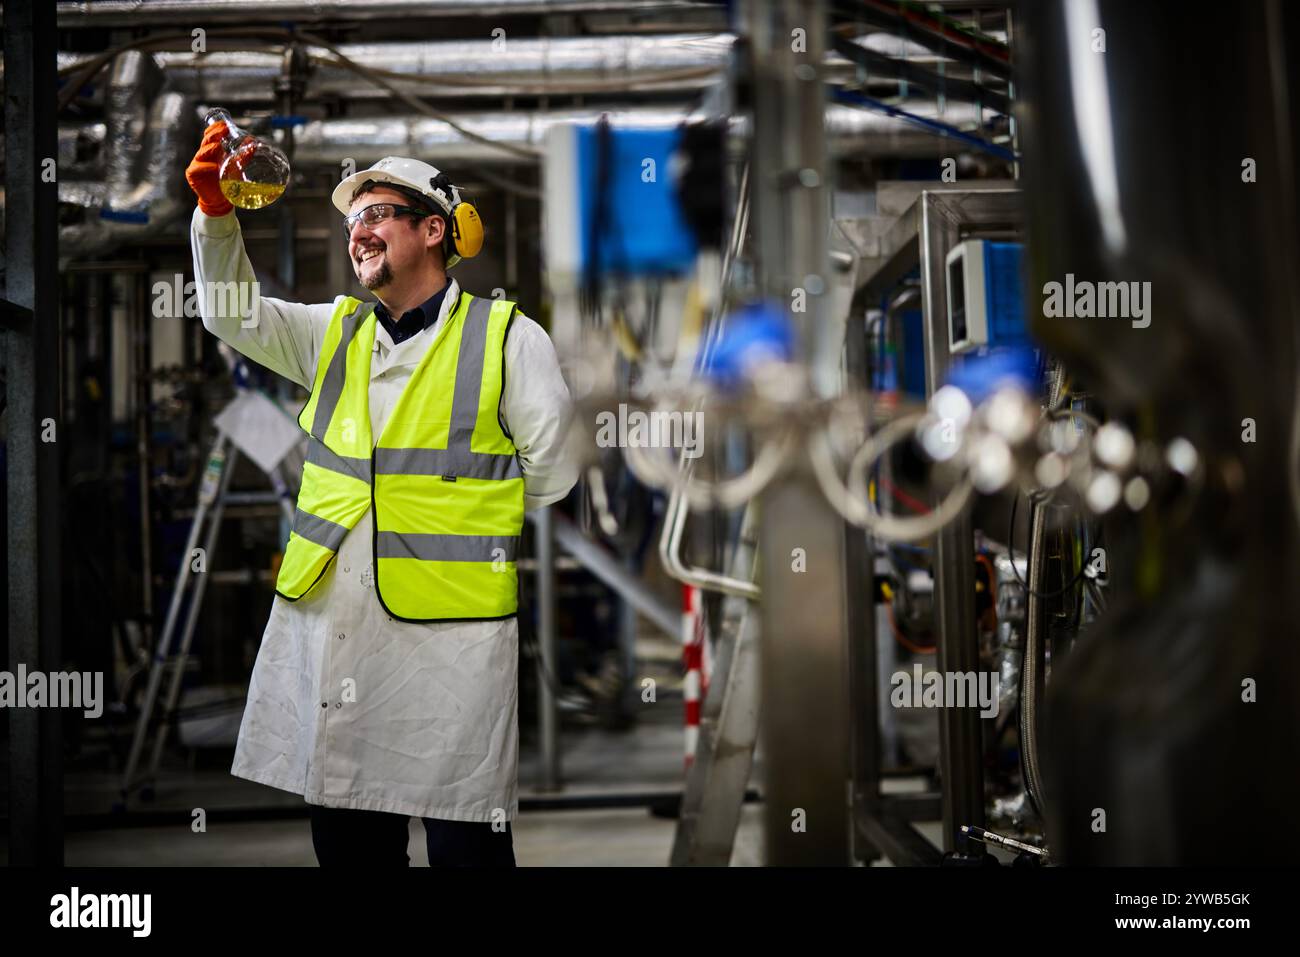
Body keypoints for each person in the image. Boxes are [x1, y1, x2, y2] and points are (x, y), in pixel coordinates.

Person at [186, 119, 578, 866]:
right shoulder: (332, 333)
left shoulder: (507, 337)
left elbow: (553, 471)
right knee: (352, 848)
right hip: (339, 635)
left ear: (433, 230)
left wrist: (456, 513)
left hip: (452, 644)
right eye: (351, 223)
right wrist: (215, 215)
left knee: (467, 848)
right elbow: (230, 314)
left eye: (376, 215)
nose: (357, 233)